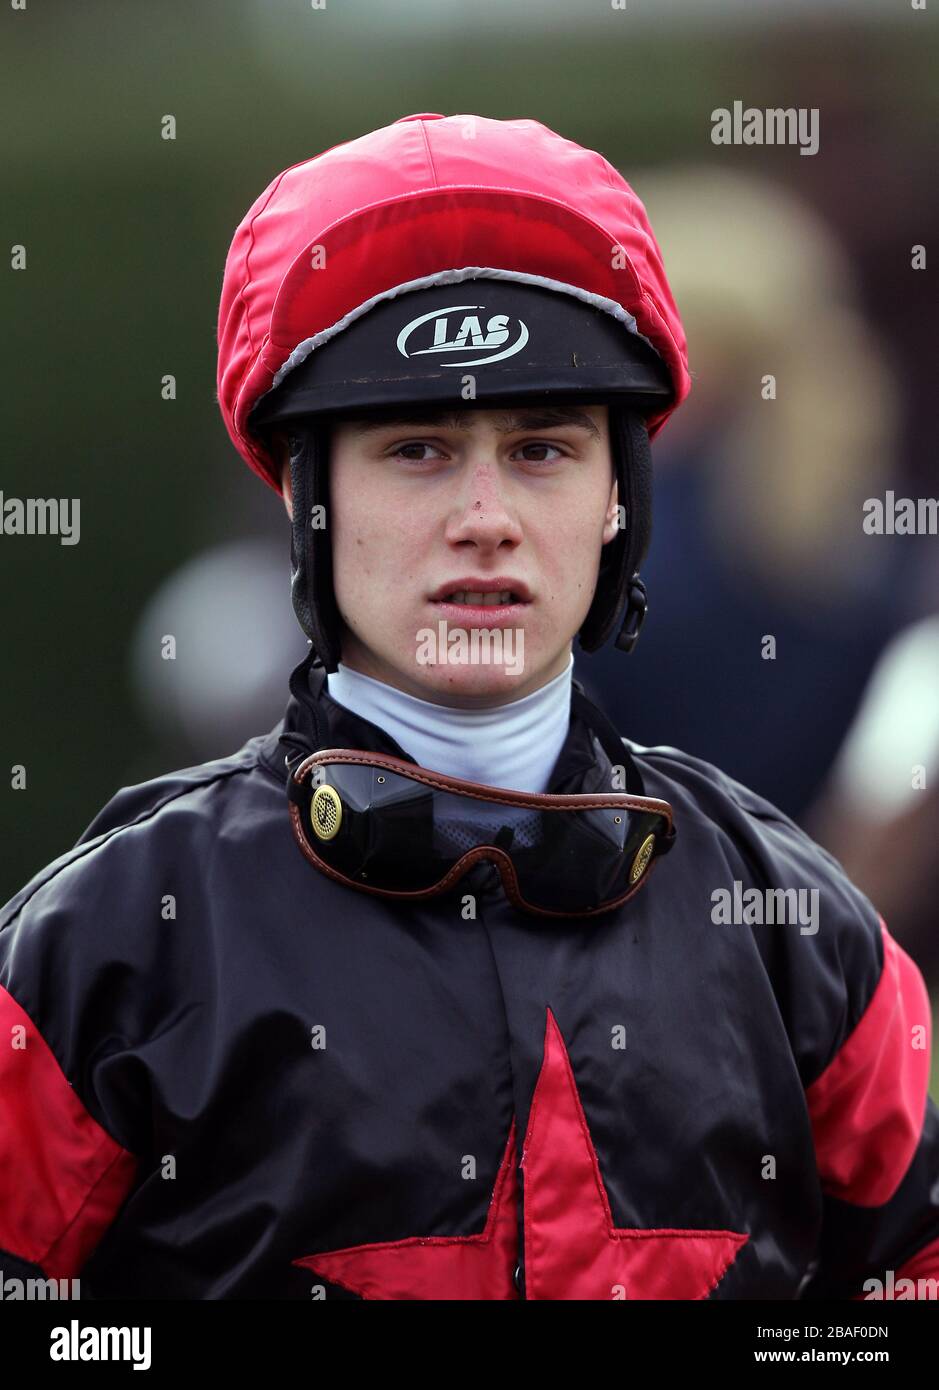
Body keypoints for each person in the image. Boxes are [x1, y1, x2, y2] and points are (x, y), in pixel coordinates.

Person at [1, 113, 937, 1301]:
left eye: (543, 448)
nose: (485, 514)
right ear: (306, 495)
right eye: (419, 449)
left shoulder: (796, 925)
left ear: (620, 498)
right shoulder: (109, 944)